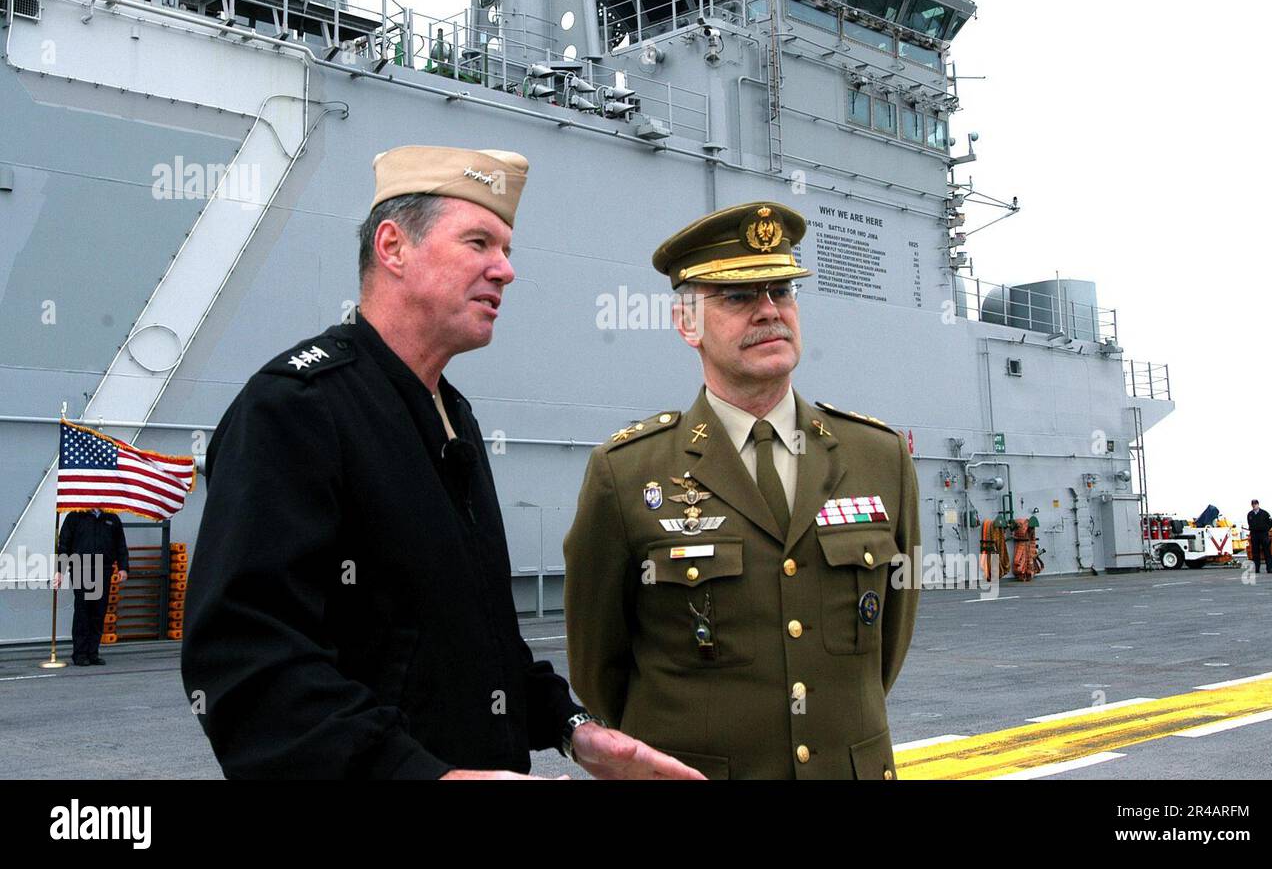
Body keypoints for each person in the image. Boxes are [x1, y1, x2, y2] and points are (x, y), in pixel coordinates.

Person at [181, 145, 702, 780]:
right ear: (393, 247)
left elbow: (474, 636)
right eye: (479, 243)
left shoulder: (450, 413)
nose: (505, 270)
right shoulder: (295, 409)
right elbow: (246, 660)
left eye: (506, 250)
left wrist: (573, 729)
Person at [564, 201, 921, 779]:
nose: (769, 311)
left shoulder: (877, 457)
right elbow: (598, 667)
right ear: (687, 324)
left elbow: (886, 644)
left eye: (781, 290)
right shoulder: (626, 473)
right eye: (737, 297)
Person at [53, 508, 130, 666]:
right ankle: (80, 653)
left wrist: (123, 567)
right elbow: (64, 544)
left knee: (98, 612)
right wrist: (59, 571)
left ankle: (93, 652)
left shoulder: (112, 518)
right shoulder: (75, 516)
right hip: (82, 568)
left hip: (104, 569)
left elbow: (120, 545)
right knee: (83, 611)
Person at [1247, 500, 1272, 574]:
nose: (1254, 505)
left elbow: (1270, 522)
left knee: (1267, 552)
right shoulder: (1250, 514)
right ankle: (1257, 569)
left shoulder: (1264, 513)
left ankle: (1269, 569)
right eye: (1253, 504)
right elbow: (1249, 523)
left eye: (1255, 504)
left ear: (1258, 504)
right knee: (1255, 553)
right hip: (1254, 535)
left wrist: (1266, 529)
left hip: (1263, 534)